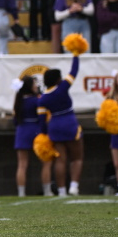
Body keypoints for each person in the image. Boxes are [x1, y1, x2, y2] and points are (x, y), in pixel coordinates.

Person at [38, 46, 83, 196]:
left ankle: (62, 191)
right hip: (69, 122)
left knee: (60, 160)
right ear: (58, 79)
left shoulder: (42, 98)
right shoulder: (62, 87)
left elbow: (42, 119)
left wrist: (44, 133)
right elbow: (74, 72)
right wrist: (76, 54)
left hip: (55, 126)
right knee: (76, 158)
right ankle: (74, 187)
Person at [13, 75, 51, 197]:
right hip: (36, 131)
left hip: (21, 131)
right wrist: (44, 132)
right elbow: (42, 118)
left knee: (22, 164)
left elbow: (15, 121)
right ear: (30, 86)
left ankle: (21, 193)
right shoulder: (37, 100)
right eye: (34, 84)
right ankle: (47, 191)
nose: (36, 86)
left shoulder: (18, 101)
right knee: (46, 162)